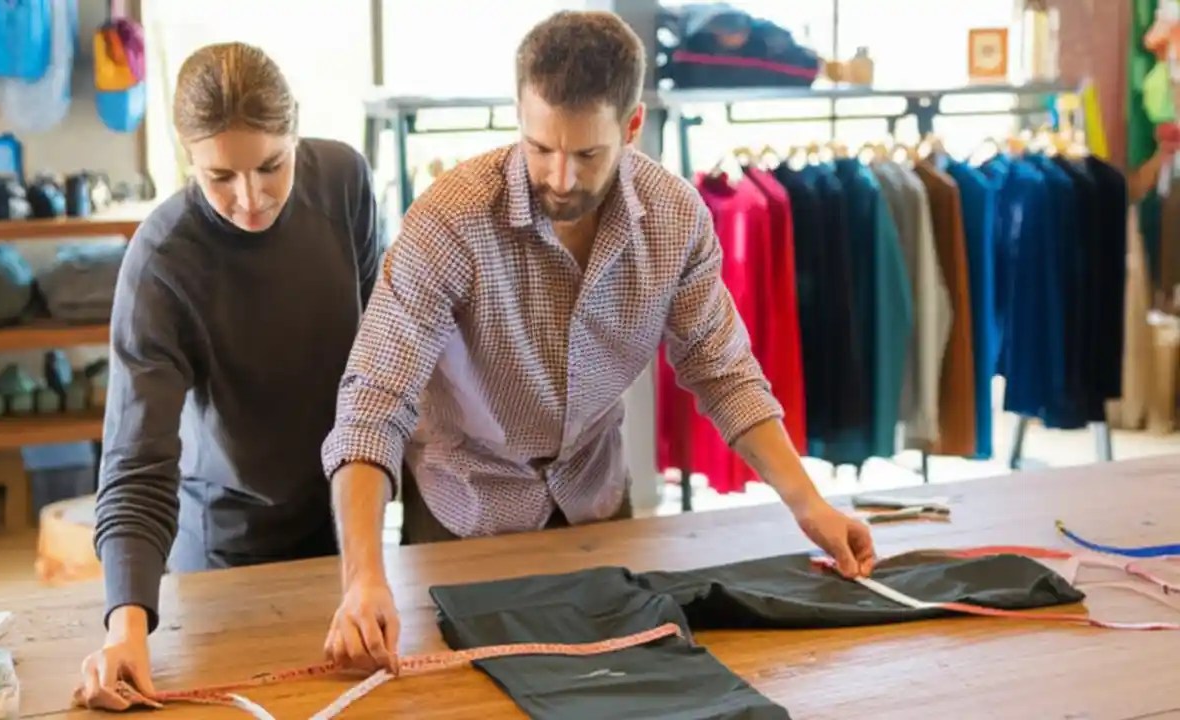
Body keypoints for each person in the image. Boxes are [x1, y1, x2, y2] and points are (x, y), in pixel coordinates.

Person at [319, 10, 875, 674]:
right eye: (539, 148)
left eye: (586, 155)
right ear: (518, 114)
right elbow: (374, 402)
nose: (559, 178)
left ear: (632, 126)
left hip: (596, 498)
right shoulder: (449, 220)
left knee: (625, 686)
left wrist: (809, 504)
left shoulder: (676, 218)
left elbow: (723, 372)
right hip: (464, 510)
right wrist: (363, 578)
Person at [77, 41, 380, 709]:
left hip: (345, 527)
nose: (251, 198)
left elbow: (375, 368)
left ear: (295, 129)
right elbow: (136, 462)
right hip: (226, 551)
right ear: (187, 158)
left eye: (272, 165)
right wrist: (125, 629)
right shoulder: (161, 264)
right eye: (220, 177)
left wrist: (366, 556)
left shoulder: (346, 183)